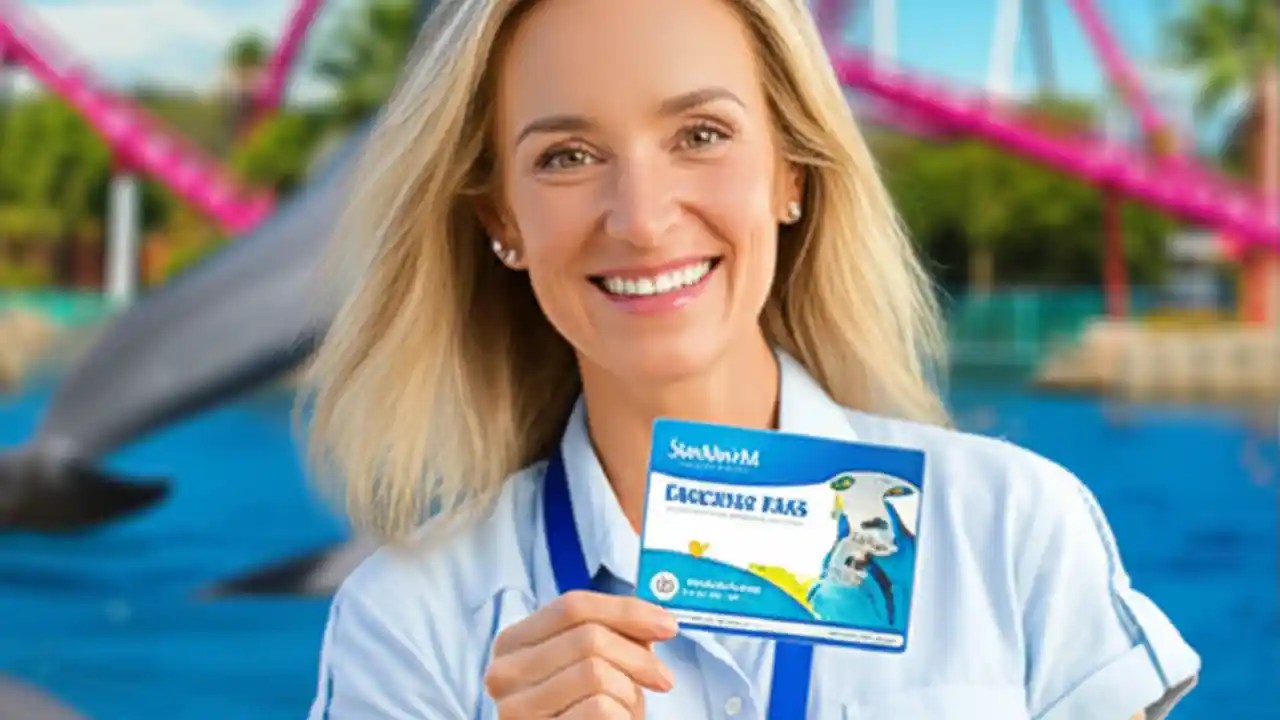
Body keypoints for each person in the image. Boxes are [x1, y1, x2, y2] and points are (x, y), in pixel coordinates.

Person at [302, 0, 1200, 717]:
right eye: (567, 156)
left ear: (791, 171)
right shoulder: (405, 625)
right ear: (502, 219)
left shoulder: (1013, 532)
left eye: (700, 135)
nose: (642, 219)